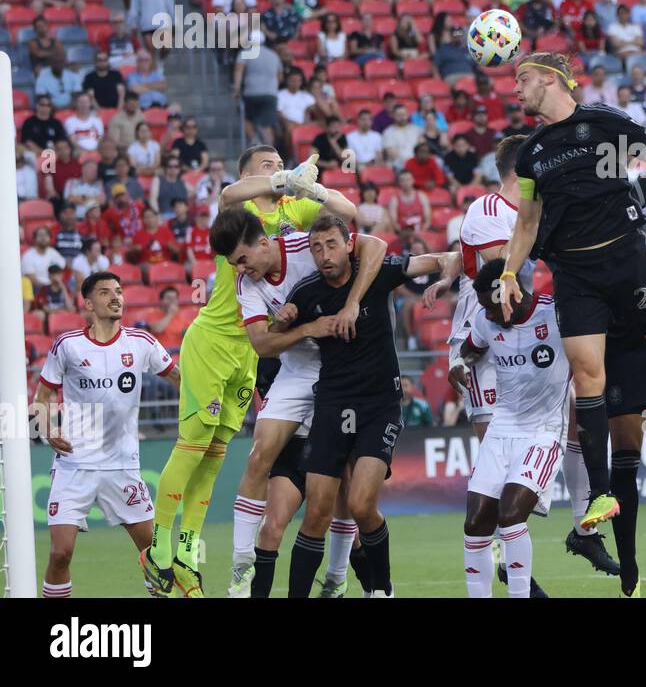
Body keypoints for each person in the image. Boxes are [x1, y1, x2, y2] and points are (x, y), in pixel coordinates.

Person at [499, 53, 646, 528]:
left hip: (627, 259)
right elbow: (526, 224)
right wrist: (509, 274)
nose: (516, 89)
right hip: (575, 275)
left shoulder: (603, 123)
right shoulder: (531, 155)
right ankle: (598, 494)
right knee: (589, 379)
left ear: (552, 80)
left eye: (522, 79)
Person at [139, 146, 354, 597]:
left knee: (216, 455)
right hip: (213, 343)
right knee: (193, 446)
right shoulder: (240, 215)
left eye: (280, 163)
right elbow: (228, 194)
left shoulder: (296, 207)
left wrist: (309, 187)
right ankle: (157, 548)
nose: (277, 170)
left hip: (251, 351)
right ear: (249, 175)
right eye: (267, 166)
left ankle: (186, 548)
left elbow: (348, 210)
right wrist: (284, 179)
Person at [216, 210, 389, 597]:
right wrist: (305, 328)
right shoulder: (246, 285)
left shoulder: (306, 245)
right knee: (260, 452)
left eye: (242, 259)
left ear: (264, 242)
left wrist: (352, 304)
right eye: (233, 264)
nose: (240, 269)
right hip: (297, 371)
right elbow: (261, 344)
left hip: (342, 369)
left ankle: (338, 574)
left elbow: (376, 245)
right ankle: (242, 567)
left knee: (345, 483)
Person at [280, 215, 452, 598]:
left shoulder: (378, 271)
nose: (324, 254)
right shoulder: (306, 294)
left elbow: (441, 258)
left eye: (331, 245)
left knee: (360, 504)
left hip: (380, 404)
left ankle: (382, 589)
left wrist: (445, 274)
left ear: (349, 245)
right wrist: (286, 322)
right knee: (315, 515)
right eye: (316, 248)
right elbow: (269, 341)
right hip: (332, 402)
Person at [34, 271, 182, 599]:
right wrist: (47, 429)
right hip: (75, 465)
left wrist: (206, 405)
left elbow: (179, 379)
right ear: (88, 303)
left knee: (154, 555)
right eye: (105, 292)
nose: (115, 297)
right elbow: (41, 399)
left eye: (118, 291)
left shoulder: (141, 342)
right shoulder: (67, 346)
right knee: (60, 554)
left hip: (122, 466)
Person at [456, 257, 571, 598]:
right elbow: (470, 348)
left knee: (510, 515)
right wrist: (461, 364)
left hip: (543, 431)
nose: (487, 315)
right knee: (475, 523)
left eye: (490, 308)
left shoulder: (556, 314)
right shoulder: (485, 320)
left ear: (510, 294)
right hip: (501, 426)